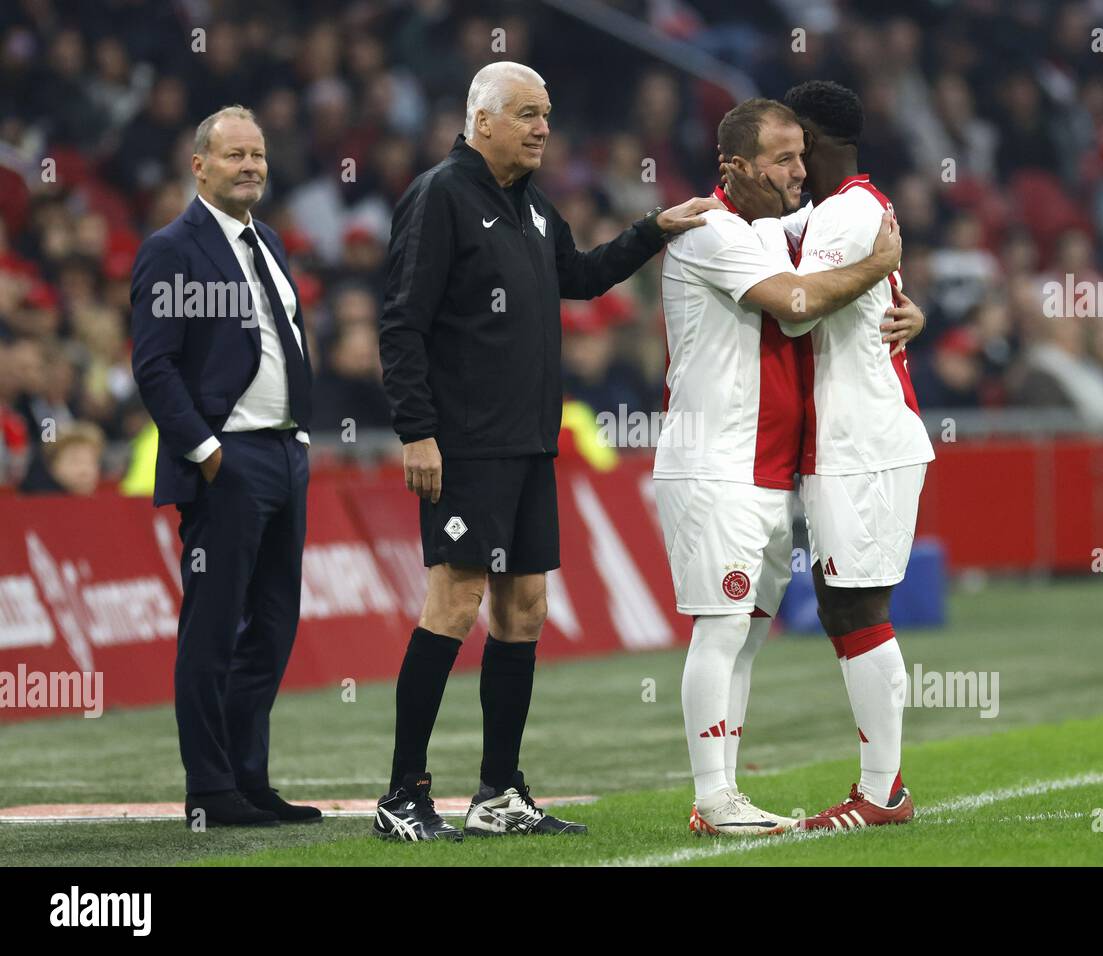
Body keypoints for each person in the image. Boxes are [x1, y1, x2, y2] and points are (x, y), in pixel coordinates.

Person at [375, 61, 719, 841]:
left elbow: (583, 278)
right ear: (481, 120)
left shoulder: (530, 207)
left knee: (523, 612)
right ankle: (403, 793)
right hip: (464, 445)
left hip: (529, 444)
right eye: (527, 114)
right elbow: (401, 323)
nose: (541, 128)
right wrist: (416, 430)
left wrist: (653, 230)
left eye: (547, 115)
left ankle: (498, 792)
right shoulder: (440, 197)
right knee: (454, 603)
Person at [656, 97, 906, 837]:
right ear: (735, 166)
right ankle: (713, 797)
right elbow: (796, 303)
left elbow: (825, 259)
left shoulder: (764, 227)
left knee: (745, 633)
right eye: (783, 160)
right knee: (722, 626)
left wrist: (902, 300)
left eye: (804, 155)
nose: (802, 172)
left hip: (763, 468)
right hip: (716, 463)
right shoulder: (711, 230)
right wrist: (880, 265)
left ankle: (721, 796)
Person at [732, 80, 934, 831]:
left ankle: (883, 794)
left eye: (791, 145)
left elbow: (796, 312)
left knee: (855, 604)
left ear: (811, 141)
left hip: (864, 443)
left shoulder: (848, 212)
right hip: (844, 443)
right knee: (840, 604)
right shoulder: (839, 210)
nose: (785, 162)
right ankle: (883, 789)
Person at [130, 105, 318, 828]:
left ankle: (249, 779)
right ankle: (210, 790)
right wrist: (207, 454)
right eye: (235, 154)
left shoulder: (265, 239)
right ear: (198, 165)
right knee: (212, 631)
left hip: (283, 452)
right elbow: (154, 367)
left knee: (272, 627)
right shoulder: (171, 248)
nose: (251, 166)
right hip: (229, 460)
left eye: (259, 155)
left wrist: (298, 442)